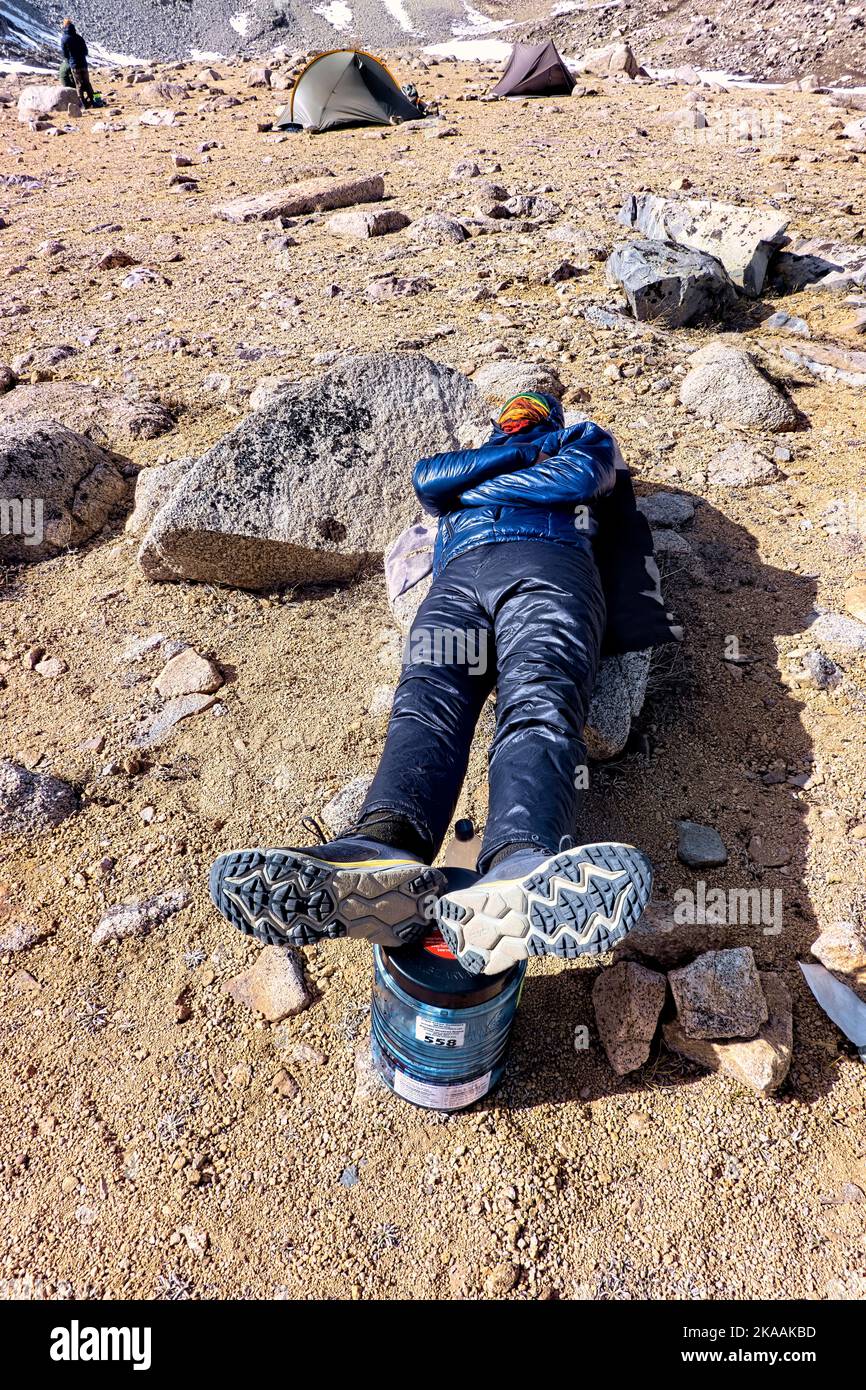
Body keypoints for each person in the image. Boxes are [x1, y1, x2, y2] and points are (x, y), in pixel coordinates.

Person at [210, 392, 673, 976]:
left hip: (550, 566)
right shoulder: (511, 452)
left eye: (534, 408)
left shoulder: (584, 439)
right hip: (457, 581)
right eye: (512, 409)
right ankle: (381, 850)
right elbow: (428, 481)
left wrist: (478, 485)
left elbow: (577, 479)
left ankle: (519, 865)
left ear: (555, 417)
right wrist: (520, 464)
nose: (518, 414)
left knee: (540, 702)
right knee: (425, 703)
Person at [60, 19, 94, 109]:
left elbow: (65, 54)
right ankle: (92, 100)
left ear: (64, 27)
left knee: (78, 84)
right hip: (83, 63)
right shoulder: (79, 37)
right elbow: (86, 51)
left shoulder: (64, 39)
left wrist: (70, 59)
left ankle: (83, 103)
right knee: (87, 83)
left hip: (74, 64)